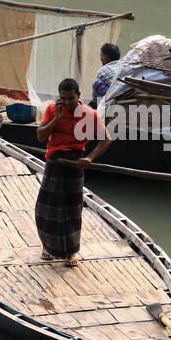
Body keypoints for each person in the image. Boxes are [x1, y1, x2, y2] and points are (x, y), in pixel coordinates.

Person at [34, 78, 111, 267]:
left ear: (78, 95)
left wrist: (90, 158)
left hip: (76, 162)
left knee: (72, 208)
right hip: (55, 160)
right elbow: (41, 136)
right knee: (48, 207)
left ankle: (71, 252)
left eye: (71, 98)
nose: (67, 102)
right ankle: (48, 247)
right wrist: (57, 119)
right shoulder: (53, 110)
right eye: (64, 98)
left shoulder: (89, 114)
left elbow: (106, 140)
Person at [90, 42, 121, 108]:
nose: (100, 59)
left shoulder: (102, 71)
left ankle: (96, 104)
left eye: (101, 56)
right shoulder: (123, 65)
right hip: (128, 93)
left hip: (116, 97)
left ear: (106, 58)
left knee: (97, 83)